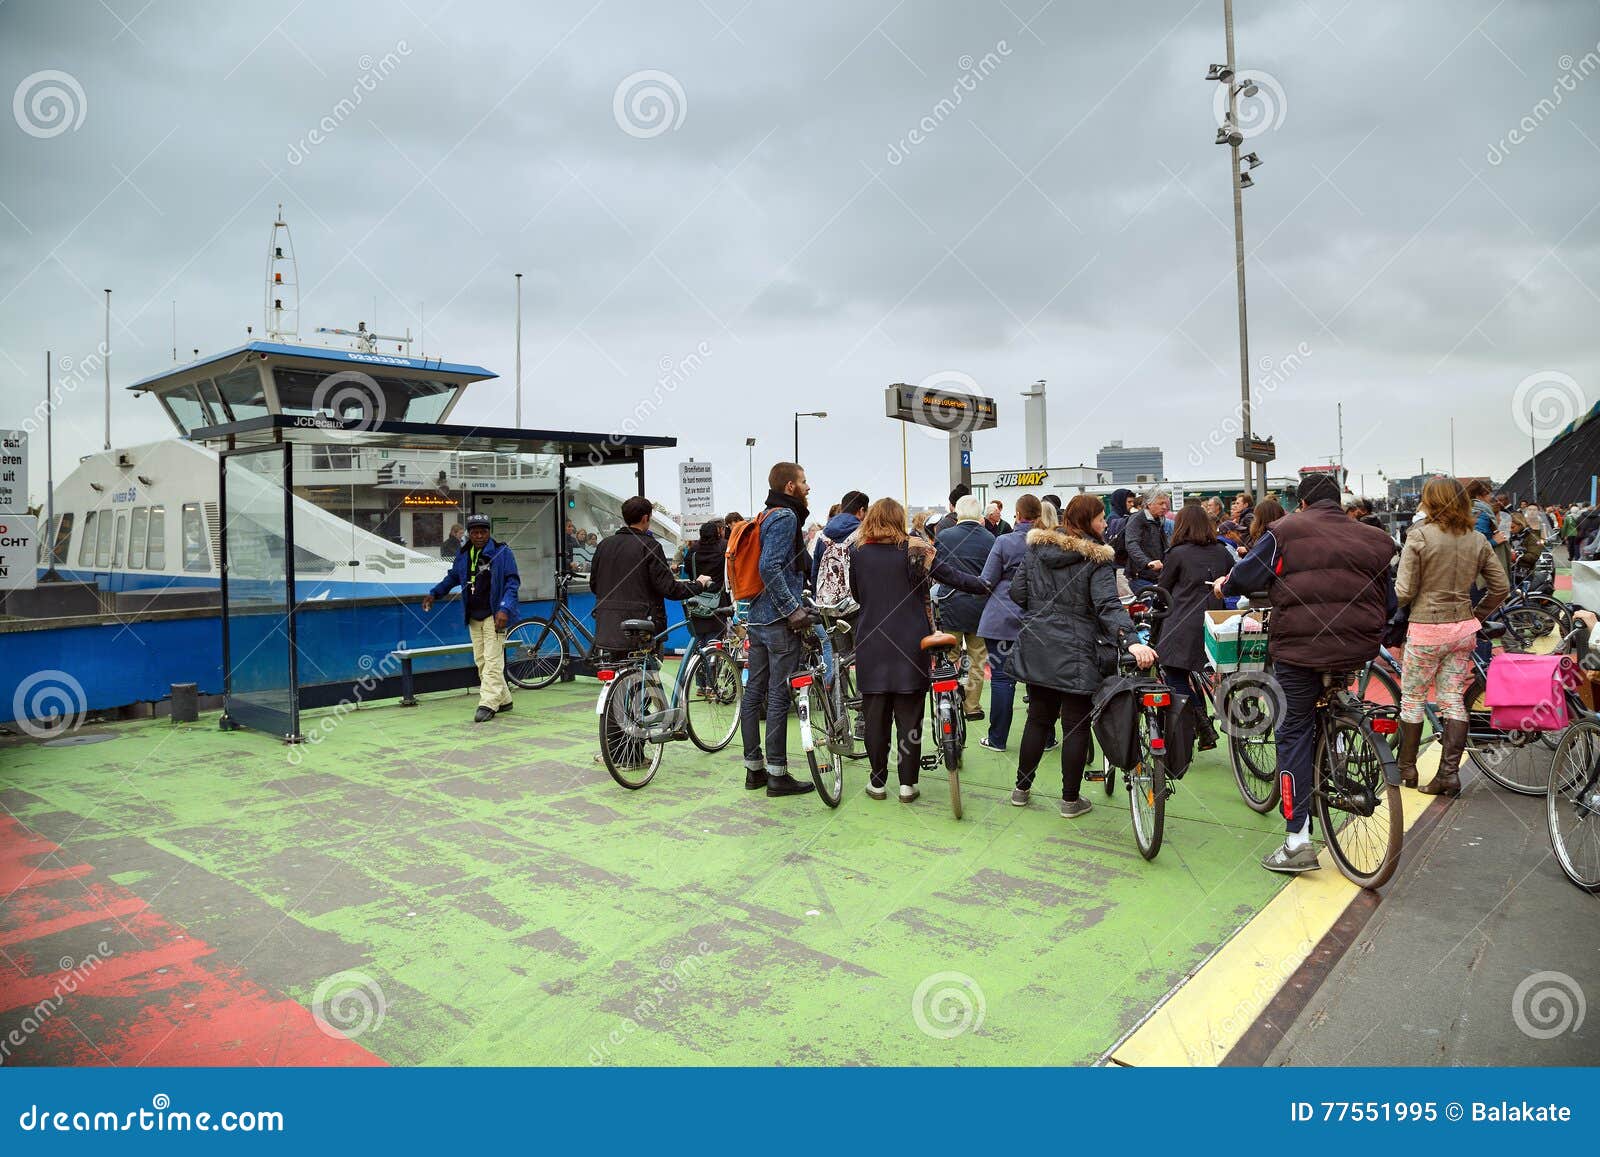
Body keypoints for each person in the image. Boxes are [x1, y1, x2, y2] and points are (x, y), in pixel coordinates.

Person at [1214, 472, 1397, 874]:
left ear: (1303, 504)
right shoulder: (1373, 538)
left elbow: (1245, 576)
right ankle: (1342, 747)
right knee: (1338, 694)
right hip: (1357, 645)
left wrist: (1226, 582)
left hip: (1300, 647)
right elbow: (1391, 601)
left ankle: (1297, 840)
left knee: (1293, 731)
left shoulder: (1285, 530)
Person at [1010, 494, 1158, 816]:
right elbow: (1107, 605)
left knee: (1037, 718)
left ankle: (1021, 789)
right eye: (1101, 518)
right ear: (1087, 520)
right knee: (1075, 725)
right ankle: (1069, 800)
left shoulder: (1036, 549)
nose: (1105, 524)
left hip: (1038, 643)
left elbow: (1017, 592)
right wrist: (1130, 640)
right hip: (1077, 649)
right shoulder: (1097, 558)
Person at [849, 498, 991, 801]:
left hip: (871, 640)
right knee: (909, 717)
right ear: (900, 519)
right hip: (911, 642)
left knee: (875, 716)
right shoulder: (916, 550)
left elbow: (856, 594)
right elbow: (953, 577)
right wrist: (986, 585)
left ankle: (877, 782)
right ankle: (907, 784)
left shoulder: (858, 553)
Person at [1393, 477, 1509, 796]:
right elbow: (1501, 587)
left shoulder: (1419, 536)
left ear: (1430, 501)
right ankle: (1448, 775)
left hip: (1426, 629)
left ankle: (1407, 768)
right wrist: (1477, 615)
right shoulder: (1476, 539)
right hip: (1463, 630)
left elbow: (1403, 592)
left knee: (1414, 697)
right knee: (1453, 700)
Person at [738, 462, 819, 798]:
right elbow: (769, 565)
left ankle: (754, 769)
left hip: (757, 616)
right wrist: (792, 610)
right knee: (777, 695)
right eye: (803, 481)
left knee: (754, 692)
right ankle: (777, 774)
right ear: (790, 486)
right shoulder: (786, 517)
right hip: (776, 620)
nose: (808, 487)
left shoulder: (767, 514)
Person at [422, 513, 521, 723]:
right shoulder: (464, 554)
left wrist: (505, 608)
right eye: (474, 532)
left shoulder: (503, 552)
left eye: (483, 532)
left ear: (489, 532)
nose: (478, 536)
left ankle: (488, 704)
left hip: (495, 615)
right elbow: (453, 577)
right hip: (473, 615)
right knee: (481, 661)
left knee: (493, 661)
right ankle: (504, 699)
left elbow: (513, 582)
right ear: (469, 534)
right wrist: (434, 593)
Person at [1154, 504, 1235, 751]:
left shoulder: (1177, 553)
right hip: (1217, 622)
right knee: (1209, 669)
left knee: (1175, 673)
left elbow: (1163, 591)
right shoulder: (1222, 552)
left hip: (1182, 622)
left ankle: (1201, 724)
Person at [590, 496, 711, 655]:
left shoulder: (604, 545)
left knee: (618, 670)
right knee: (647, 674)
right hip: (642, 627)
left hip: (607, 626)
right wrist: (699, 585)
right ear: (645, 518)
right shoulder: (650, 546)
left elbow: (594, 585)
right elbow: (669, 588)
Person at [976, 494, 1041, 753]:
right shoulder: (1046, 544)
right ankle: (1045, 738)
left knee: (1002, 680)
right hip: (1036, 620)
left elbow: (987, 580)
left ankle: (998, 739)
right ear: (1038, 517)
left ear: (1017, 513)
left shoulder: (1003, 541)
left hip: (1000, 619)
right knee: (1039, 681)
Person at [929, 494, 995, 720]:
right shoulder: (990, 538)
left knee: (949, 655)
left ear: (958, 512)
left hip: (951, 603)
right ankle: (972, 706)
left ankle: (948, 699)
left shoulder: (944, 535)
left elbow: (935, 569)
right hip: (980, 607)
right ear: (980, 515)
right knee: (977, 657)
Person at [683, 518, 730, 655]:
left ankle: (698, 673)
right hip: (718, 602)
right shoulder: (724, 546)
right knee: (714, 646)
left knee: (697, 645)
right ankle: (711, 673)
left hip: (696, 600)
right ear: (717, 532)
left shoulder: (693, 550)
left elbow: (688, 570)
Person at [1123, 485, 1171, 591]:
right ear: (1149, 504)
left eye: (1166, 503)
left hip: (1157, 575)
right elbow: (1131, 544)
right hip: (1140, 576)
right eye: (1161, 503)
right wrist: (1147, 562)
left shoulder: (1159, 519)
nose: (1164, 507)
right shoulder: (1137, 519)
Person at [812, 490, 869, 576]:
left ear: (842, 508)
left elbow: (815, 571)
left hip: (826, 589)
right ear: (861, 511)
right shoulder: (864, 535)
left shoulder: (822, 535)